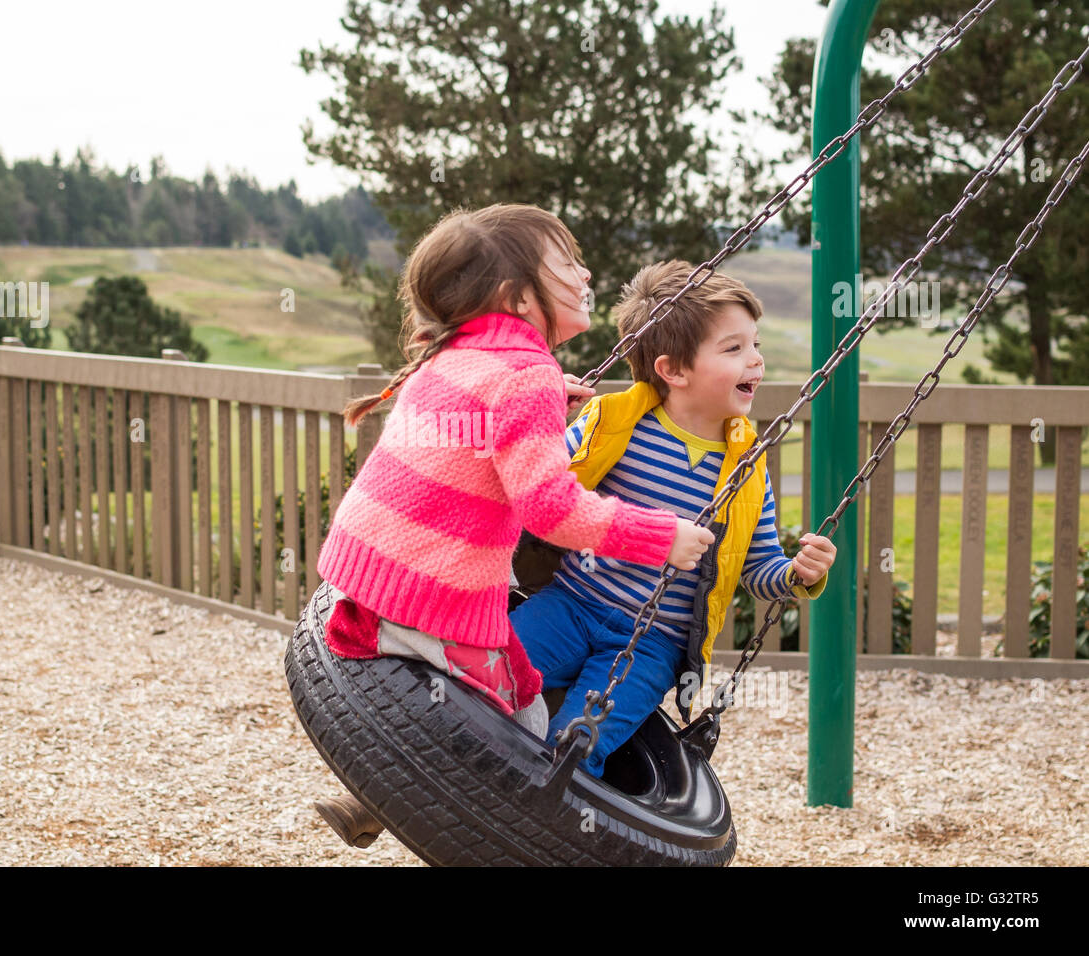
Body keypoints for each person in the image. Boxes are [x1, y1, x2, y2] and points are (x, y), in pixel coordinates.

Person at [308, 206, 714, 847]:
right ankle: (404, 810)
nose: (585, 273)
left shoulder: (454, 357)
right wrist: (663, 538)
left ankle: (377, 802)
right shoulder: (527, 377)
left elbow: (468, 453)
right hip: (431, 604)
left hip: (364, 582)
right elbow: (553, 512)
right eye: (567, 264)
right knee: (521, 732)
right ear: (516, 297)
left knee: (485, 701)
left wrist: (552, 405)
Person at [509, 259, 838, 779]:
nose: (755, 360)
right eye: (734, 349)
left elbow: (758, 568)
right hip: (568, 604)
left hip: (648, 647)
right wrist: (546, 412)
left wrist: (800, 575)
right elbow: (541, 482)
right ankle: (393, 789)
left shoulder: (746, 468)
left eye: (756, 345)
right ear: (673, 370)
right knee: (479, 676)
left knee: (573, 747)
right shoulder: (614, 424)